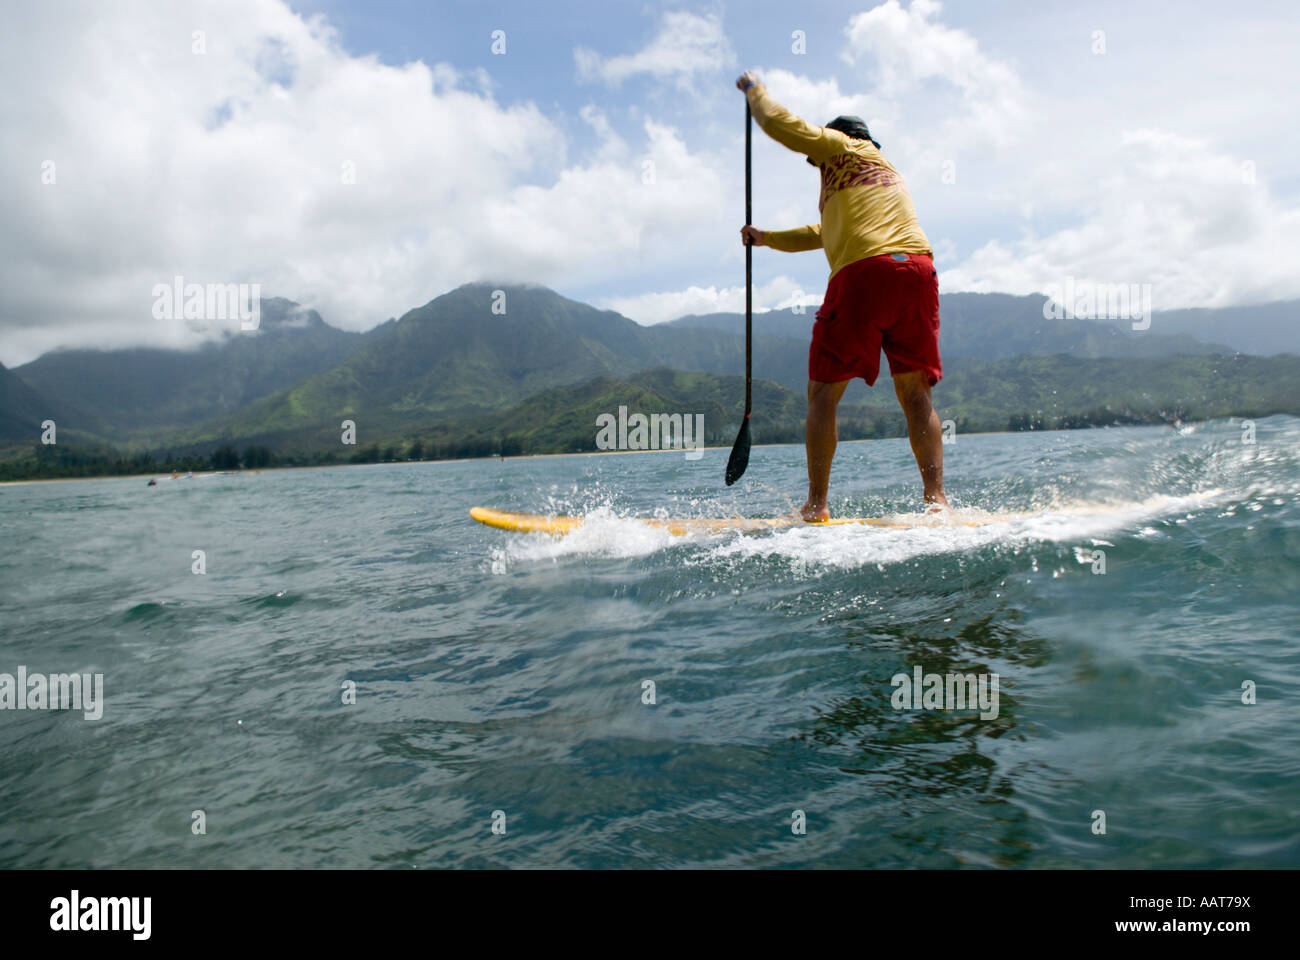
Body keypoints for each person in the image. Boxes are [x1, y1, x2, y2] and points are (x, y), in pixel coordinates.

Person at [736, 71, 948, 519]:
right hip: (917, 272)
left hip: (864, 277)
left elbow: (781, 126)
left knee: (822, 395)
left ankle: (816, 504)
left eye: (817, 160)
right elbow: (820, 233)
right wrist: (765, 238)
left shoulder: (844, 146)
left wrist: (756, 92)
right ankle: (936, 502)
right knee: (916, 394)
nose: (818, 168)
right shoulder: (882, 174)